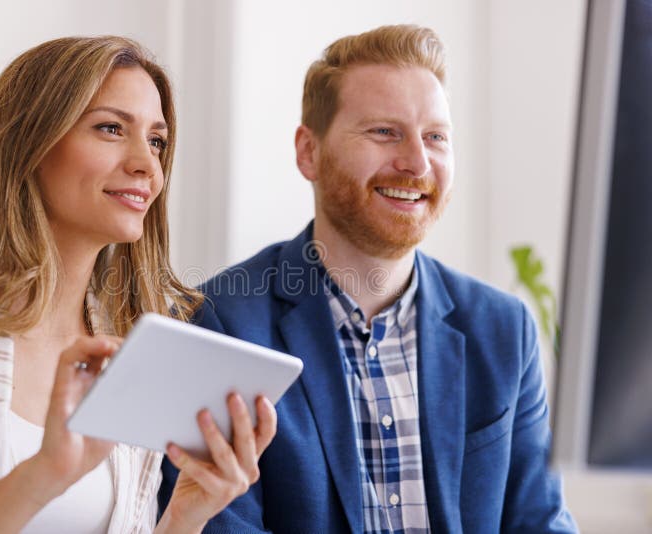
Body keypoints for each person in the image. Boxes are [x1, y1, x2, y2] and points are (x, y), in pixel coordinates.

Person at [159, 25, 577, 533]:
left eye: (435, 137)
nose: (417, 162)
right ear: (308, 152)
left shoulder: (503, 329)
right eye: (384, 132)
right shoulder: (221, 323)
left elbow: (540, 522)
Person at [0, 36, 276, 533]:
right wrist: (45, 474)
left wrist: (185, 514)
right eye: (111, 128)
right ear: (29, 142)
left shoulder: (133, 338)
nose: (147, 165)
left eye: (157, 140)